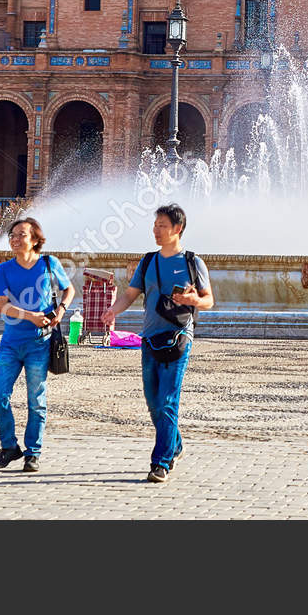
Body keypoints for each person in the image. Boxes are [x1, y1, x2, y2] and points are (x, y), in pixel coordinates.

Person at [103, 204, 214, 484]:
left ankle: (160, 462)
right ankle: (175, 443)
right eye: (155, 225)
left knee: (167, 400)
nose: (156, 230)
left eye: (162, 225)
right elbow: (130, 294)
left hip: (179, 336)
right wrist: (113, 311)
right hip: (150, 337)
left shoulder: (192, 262)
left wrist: (193, 301)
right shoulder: (148, 261)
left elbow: (208, 300)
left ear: (177, 229)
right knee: (153, 403)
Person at [0, 217, 75, 473]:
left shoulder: (50, 264)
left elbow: (69, 289)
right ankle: (9, 446)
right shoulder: (4, 269)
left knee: (36, 400)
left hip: (41, 342)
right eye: (12, 235)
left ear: (35, 239)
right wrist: (30, 316)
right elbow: (2, 306)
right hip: (11, 343)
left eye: (21, 235)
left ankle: (32, 453)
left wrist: (61, 309)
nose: (14, 239)